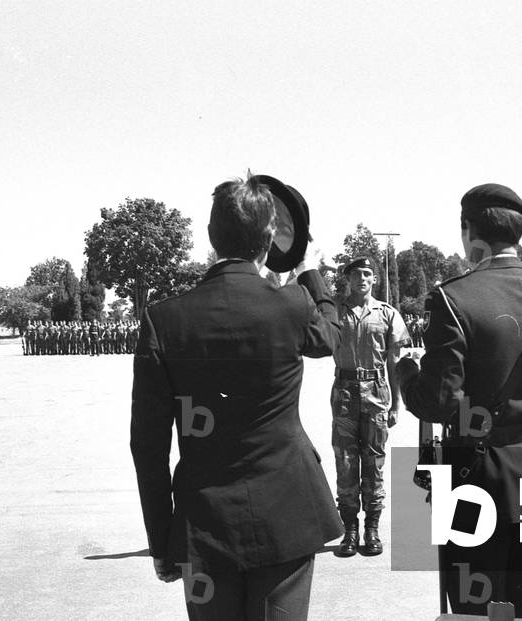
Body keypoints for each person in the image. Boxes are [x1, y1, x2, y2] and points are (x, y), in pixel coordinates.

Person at [130, 174, 341, 621]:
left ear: (210, 238)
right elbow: (329, 338)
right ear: (269, 239)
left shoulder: (164, 320)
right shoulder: (294, 305)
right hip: (288, 512)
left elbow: (147, 446)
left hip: (203, 521)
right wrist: (311, 272)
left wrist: (162, 537)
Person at [397, 183, 522, 619]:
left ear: (469, 234)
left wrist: (406, 375)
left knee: (474, 607)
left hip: (473, 475)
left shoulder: (453, 299)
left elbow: (437, 401)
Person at [330, 256, 410, 557]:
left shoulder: (387, 314)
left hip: (376, 391)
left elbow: (393, 362)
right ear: (347, 279)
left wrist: (395, 404)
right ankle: (350, 529)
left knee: (374, 462)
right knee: (346, 461)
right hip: (345, 393)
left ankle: (372, 529)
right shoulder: (335, 312)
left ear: (374, 279)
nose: (361, 278)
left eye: (367, 274)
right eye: (355, 274)